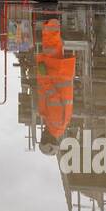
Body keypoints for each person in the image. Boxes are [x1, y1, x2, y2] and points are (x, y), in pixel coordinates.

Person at [34, 18, 76, 155]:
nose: (42, 133)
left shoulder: (57, 126)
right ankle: (51, 18)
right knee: (52, 45)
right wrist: (43, 76)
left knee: (53, 46)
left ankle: (51, 21)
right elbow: (53, 96)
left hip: (57, 74)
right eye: (43, 138)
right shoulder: (56, 124)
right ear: (47, 139)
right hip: (54, 74)